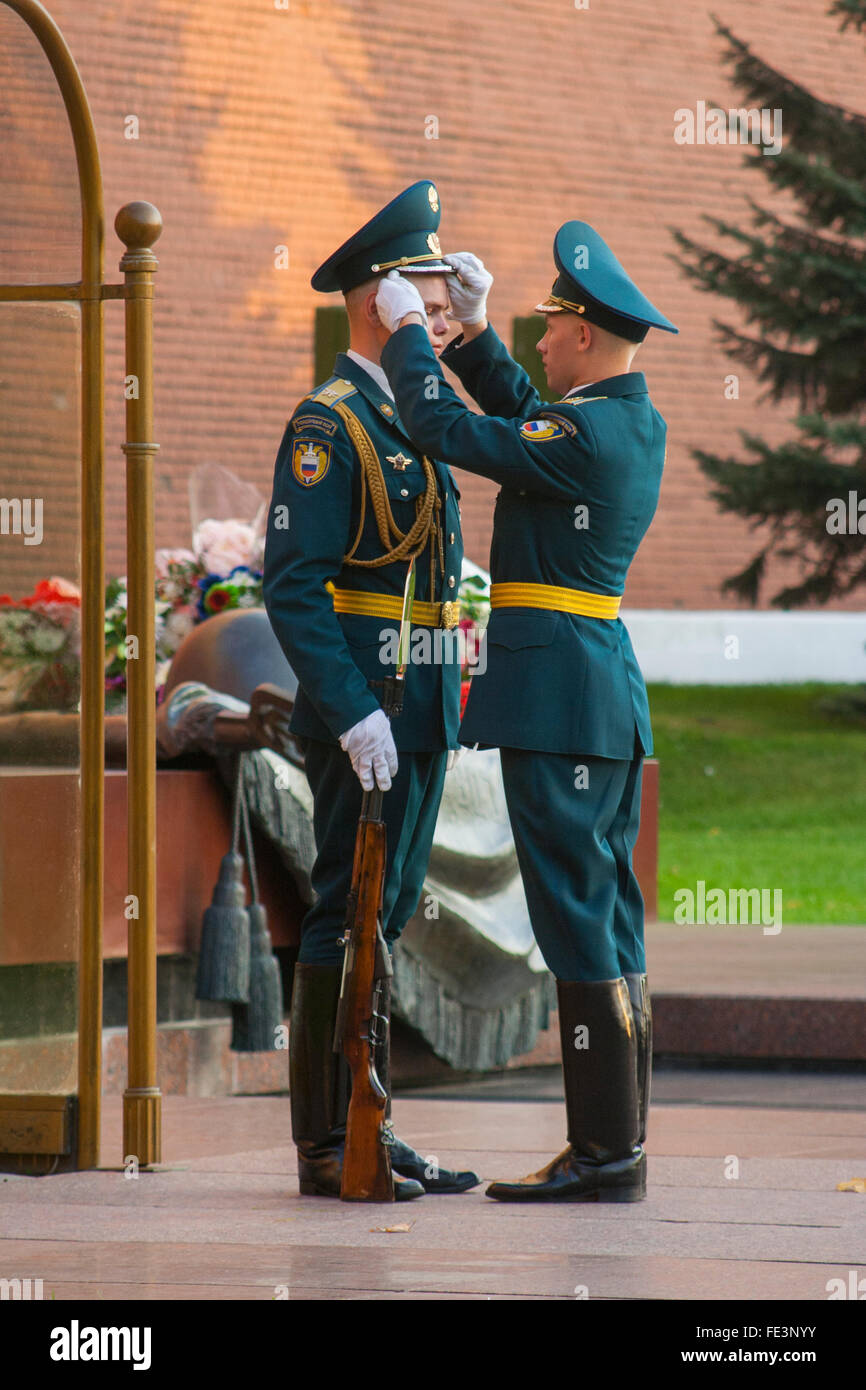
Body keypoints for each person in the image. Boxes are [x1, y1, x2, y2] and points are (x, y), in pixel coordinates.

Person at [374, 221, 678, 1202]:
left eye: (549, 330)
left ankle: (602, 1154)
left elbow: (458, 436)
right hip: (595, 696)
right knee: (610, 922)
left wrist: (408, 340)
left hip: (557, 704)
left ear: (584, 339)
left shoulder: (581, 432)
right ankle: (617, 1144)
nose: (539, 342)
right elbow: (523, 430)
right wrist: (469, 336)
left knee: (577, 925)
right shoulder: (622, 421)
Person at [263, 181, 478, 1200]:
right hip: (367, 714)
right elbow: (294, 588)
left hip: (423, 709)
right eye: (420, 293)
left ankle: (371, 1117)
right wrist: (349, 710)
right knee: (341, 908)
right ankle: (321, 1140)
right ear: (373, 296)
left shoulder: (413, 414)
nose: (433, 315)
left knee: (381, 916)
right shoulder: (330, 423)